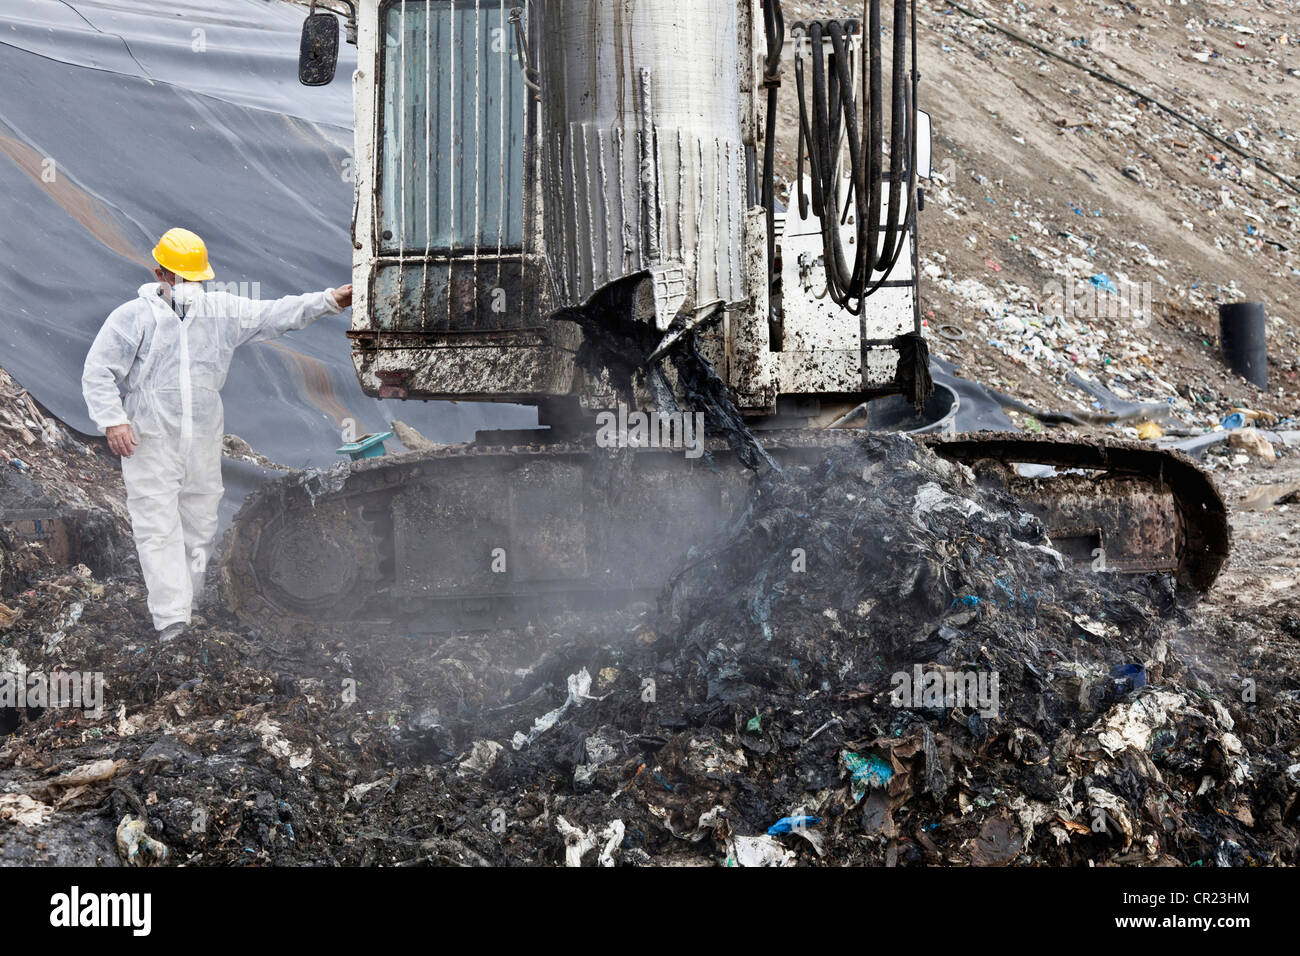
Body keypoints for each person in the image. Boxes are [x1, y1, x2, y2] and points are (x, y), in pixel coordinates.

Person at [82, 227, 352, 641]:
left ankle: (186, 608)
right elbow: (99, 371)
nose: (192, 287)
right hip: (150, 437)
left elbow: (275, 314)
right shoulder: (132, 318)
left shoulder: (221, 312)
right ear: (161, 274)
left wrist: (330, 300)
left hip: (203, 439)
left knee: (200, 524)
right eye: (183, 278)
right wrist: (113, 420)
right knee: (157, 524)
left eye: (197, 280)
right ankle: (171, 621)